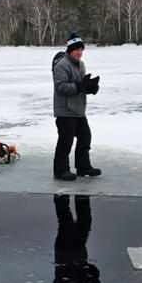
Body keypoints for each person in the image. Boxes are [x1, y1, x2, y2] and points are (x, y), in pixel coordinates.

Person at [52, 32, 101, 181]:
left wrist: (90, 88)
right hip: (65, 111)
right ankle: (60, 171)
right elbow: (61, 87)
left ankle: (83, 167)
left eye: (81, 50)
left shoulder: (80, 64)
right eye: (76, 50)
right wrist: (80, 86)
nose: (79, 53)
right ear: (70, 50)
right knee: (65, 142)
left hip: (78, 110)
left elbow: (80, 85)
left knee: (85, 138)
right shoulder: (62, 65)